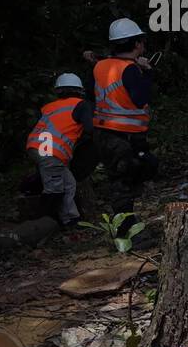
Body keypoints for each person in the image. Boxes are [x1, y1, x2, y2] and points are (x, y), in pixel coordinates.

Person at [83, 18, 158, 229]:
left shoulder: (100, 66)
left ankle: (128, 221)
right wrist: (148, 72)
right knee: (122, 181)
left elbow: (91, 92)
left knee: (141, 168)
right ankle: (126, 230)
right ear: (136, 44)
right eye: (141, 42)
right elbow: (141, 97)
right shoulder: (131, 69)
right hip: (120, 136)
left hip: (110, 133)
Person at [24, 73, 92, 226]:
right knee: (54, 189)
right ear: (80, 90)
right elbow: (90, 129)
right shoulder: (81, 105)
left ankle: (71, 219)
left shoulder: (50, 106)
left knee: (69, 183)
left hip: (37, 146)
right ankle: (42, 222)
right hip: (50, 151)